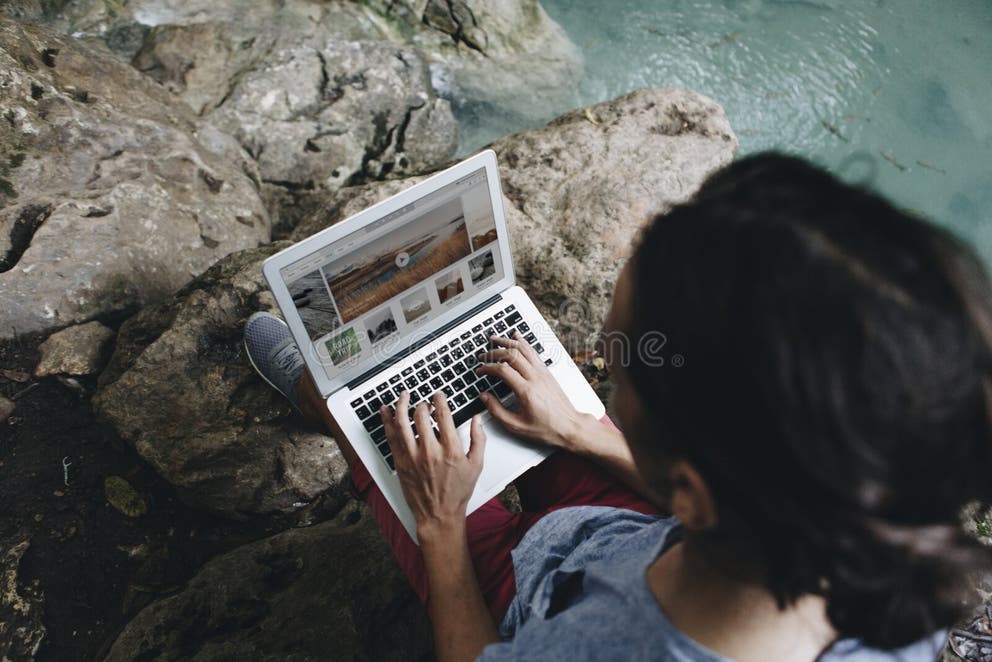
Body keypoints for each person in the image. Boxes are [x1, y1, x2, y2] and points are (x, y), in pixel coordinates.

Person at [244, 153, 991, 661]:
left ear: (692, 489)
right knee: (519, 412)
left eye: (623, 368)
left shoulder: (603, 647)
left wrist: (441, 527)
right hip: (629, 534)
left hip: (522, 597)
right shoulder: (877, 545)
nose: (602, 370)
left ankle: (329, 404)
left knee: (390, 438)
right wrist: (577, 429)